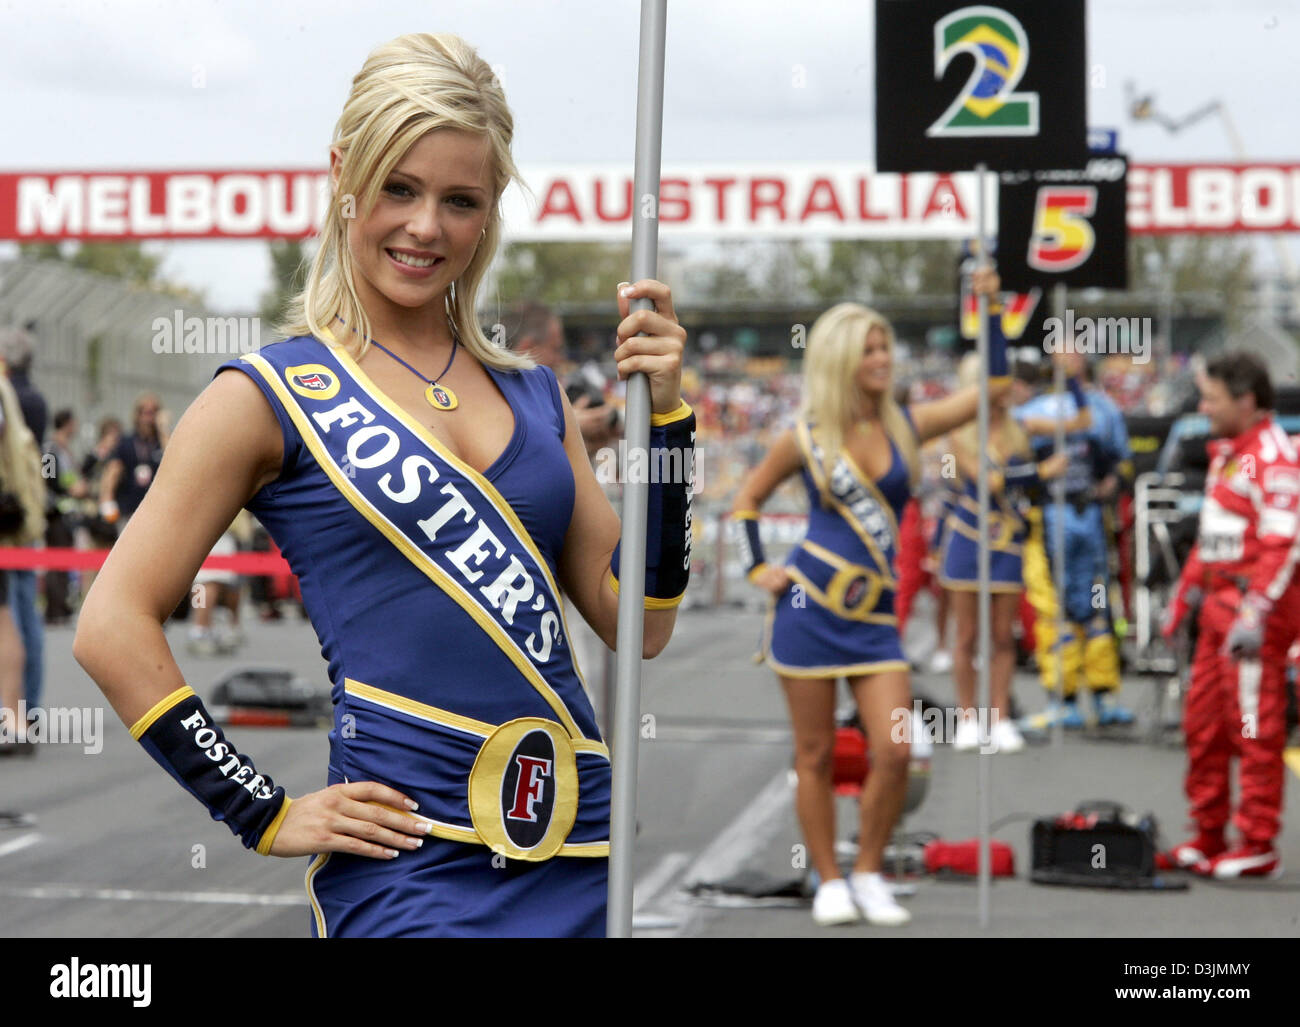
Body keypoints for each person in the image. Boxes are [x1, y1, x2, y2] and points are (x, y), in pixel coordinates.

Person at [74, 32, 692, 938]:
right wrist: (262, 809)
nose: (425, 226)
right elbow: (110, 623)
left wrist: (670, 425)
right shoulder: (267, 394)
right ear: (343, 176)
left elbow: (639, 617)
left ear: (488, 215)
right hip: (411, 873)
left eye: (460, 200)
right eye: (400, 188)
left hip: (580, 856)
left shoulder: (532, 393)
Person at [730, 266, 1009, 927]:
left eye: (886, 348)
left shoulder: (909, 426)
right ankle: (828, 878)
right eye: (871, 349)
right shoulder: (804, 436)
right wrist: (755, 569)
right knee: (817, 753)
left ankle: (869, 870)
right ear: (841, 360)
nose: (884, 359)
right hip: (808, 612)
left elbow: (994, 389)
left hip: (877, 620)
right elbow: (746, 500)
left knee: (896, 747)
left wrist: (991, 308)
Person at [1160, 351, 1300, 878]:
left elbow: (1283, 544)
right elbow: (1211, 539)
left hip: (1251, 613)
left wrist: (1256, 612)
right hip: (1216, 608)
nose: (1203, 406)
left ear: (1245, 401)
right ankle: (1209, 832)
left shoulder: (1274, 455)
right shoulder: (1229, 454)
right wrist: (1182, 598)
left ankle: (1258, 841)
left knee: (1252, 725)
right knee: (1205, 726)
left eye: (1212, 397)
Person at [939, 352, 1073, 754]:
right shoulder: (958, 435)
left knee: (1002, 636)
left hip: (1008, 539)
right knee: (966, 636)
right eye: (998, 381)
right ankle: (966, 717)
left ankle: (998, 716)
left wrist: (1073, 378)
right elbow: (989, 482)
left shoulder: (1021, 429)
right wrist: (1044, 472)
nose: (1008, 389)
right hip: (968, 536)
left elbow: (1082, 423)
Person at [1016, 351, 1133, 727]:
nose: (1071, 357)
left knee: (1096, 605)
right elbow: (1009, 466)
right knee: (1055, 609)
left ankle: (1103, 697)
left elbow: (1122, 462)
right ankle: (1061, 700)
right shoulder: (1030, 412)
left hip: (1091, 522)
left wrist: (1108, 487)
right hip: (1050, 519)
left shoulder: (1104, 409)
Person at [43, 409, 89, 624]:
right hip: (55, 514)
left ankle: (61, 606)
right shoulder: (51, 449)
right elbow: (48, 479)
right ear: (68, 424)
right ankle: (54, 610)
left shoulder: (65, 449)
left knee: (64, 561)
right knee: (55, 561)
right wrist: (71, 491)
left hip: (68, 513)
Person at [97, 393, 166, 534]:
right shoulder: (126, 442)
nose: (149, 418)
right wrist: (106, 499)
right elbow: (113, 471)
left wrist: (163, 428)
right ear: (138, 415)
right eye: (145, 413)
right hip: (128, 509)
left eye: (153, 413)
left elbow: (173, 459)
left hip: (156, 511)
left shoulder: (162, 442)